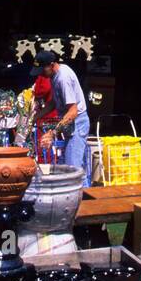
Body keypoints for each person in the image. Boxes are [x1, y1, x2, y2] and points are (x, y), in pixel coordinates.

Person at [33, 49, 91, 185]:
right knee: (75, 166)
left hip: (77, 123)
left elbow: (73, 111)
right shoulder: (54, 75)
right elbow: (54, 102)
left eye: (42, 69)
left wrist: (53, 133)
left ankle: (85, 201)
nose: (41, 73)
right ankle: (86, 197)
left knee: (73, 169)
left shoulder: (63, 78)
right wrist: (35, 117)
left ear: (52, 65)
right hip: (69, 123)